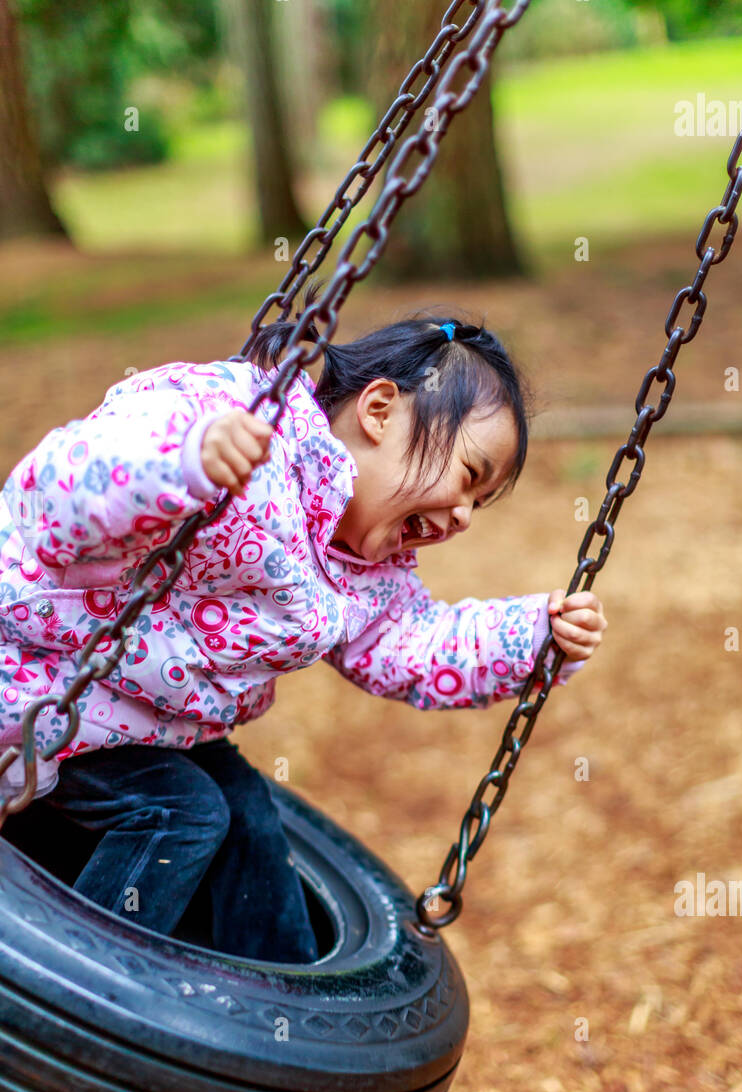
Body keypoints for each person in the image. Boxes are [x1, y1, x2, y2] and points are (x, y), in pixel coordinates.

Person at [0, 297, 608, 962]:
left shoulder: (367, 571)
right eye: (468, 477)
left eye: (480, 503)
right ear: (379, 411)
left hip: (145, 728)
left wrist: (531, 637)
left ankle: (270, 1017)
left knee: (251, 819)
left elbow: (412, 645)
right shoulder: (240, 424)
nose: (464, 515)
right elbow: (55, 492)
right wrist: (184, 466)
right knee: (182, 816)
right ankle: (77, 990)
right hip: (37, 685)